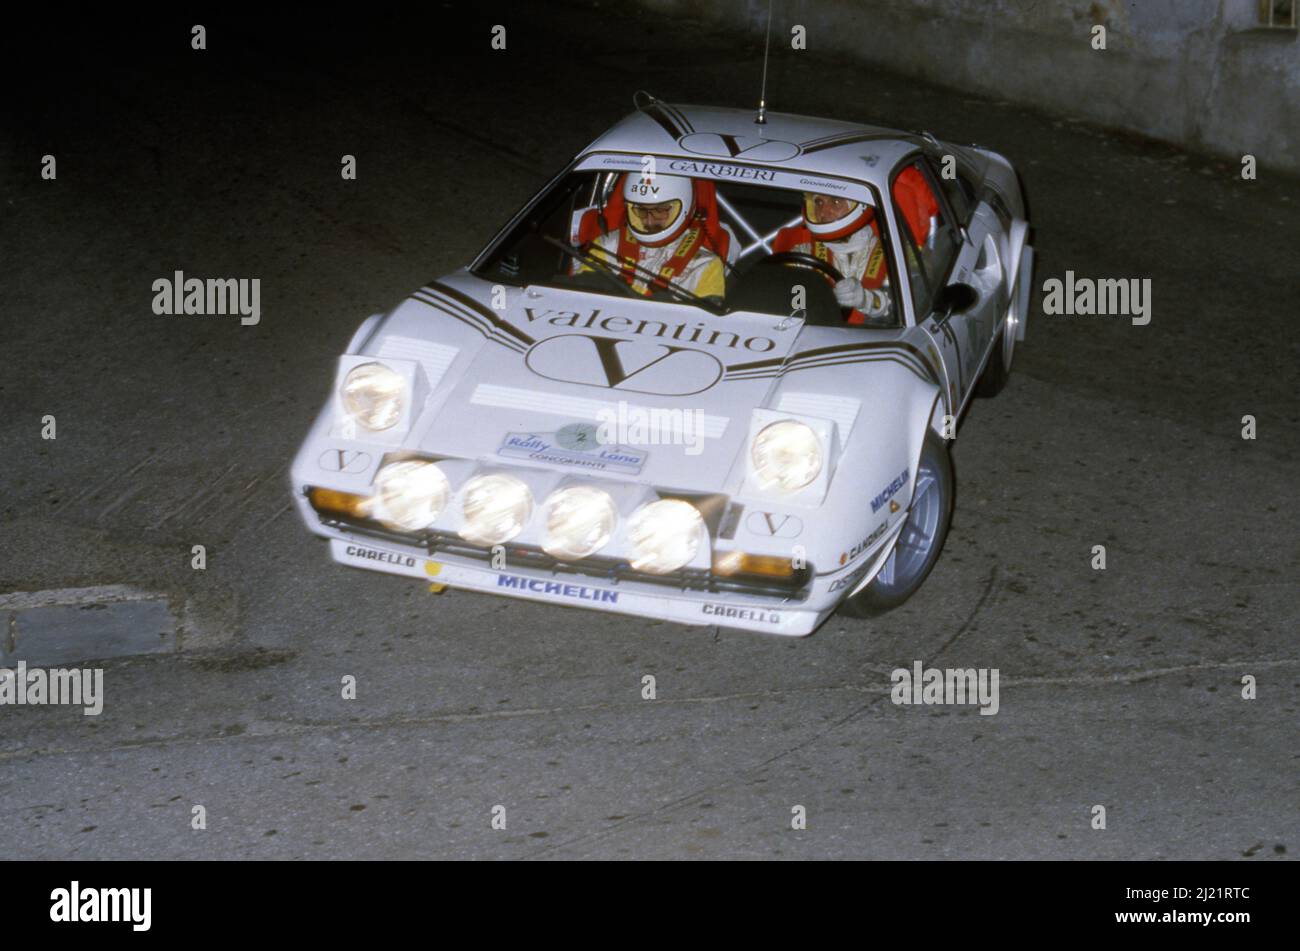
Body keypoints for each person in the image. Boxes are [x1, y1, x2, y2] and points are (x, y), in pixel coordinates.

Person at [578, 173, 725, 299]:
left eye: (660, 210)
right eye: (641, 210)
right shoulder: (603, 245)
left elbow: (701, 324)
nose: (649, 220)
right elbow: (579, 298)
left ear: (683, 208)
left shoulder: (705, 265)